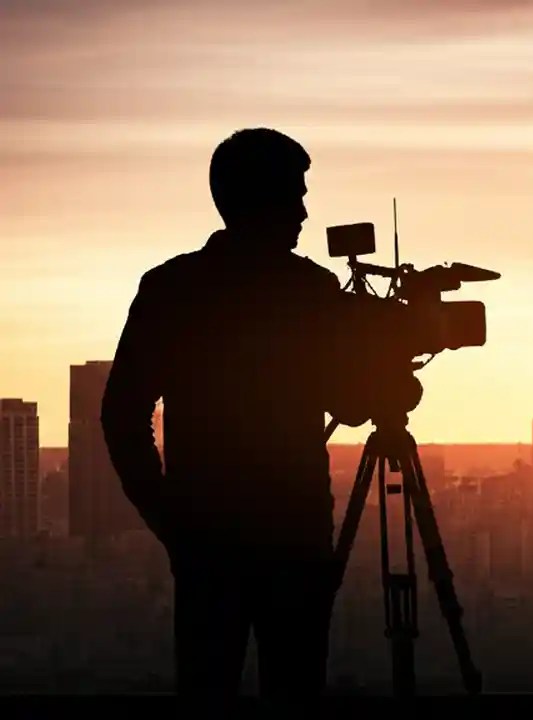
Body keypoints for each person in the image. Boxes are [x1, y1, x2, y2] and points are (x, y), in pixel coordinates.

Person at [100, 128, 368, 697]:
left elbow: (122, 416)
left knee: (206, 689)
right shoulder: (312, 292)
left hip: (208, 541)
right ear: (261, 200)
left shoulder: (171, 287)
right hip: (290, 542)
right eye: (294, 194)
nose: (303, 211)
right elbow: (351, 404)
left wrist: (173, 523)